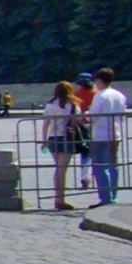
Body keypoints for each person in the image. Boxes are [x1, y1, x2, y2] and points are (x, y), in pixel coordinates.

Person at [86, 67, 128, 207]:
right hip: (115, 133)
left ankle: (106, 197)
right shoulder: (120, 95)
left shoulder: (100, 95)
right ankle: (113, 195)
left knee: (100, 166)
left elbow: (93, 116)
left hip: (100, 135)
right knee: (113, 165)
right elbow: (122, 116)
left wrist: (85, 115)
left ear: (99, 80)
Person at [42, 81, 83, 212]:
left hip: (53, 138)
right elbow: (78, 120)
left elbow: (45, 125)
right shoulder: (73, 106)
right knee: (62, 170)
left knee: (58, 168)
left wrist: (44, 141)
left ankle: (58, 198)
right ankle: (60, 199)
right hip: (66, 138)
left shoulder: (49, 106)